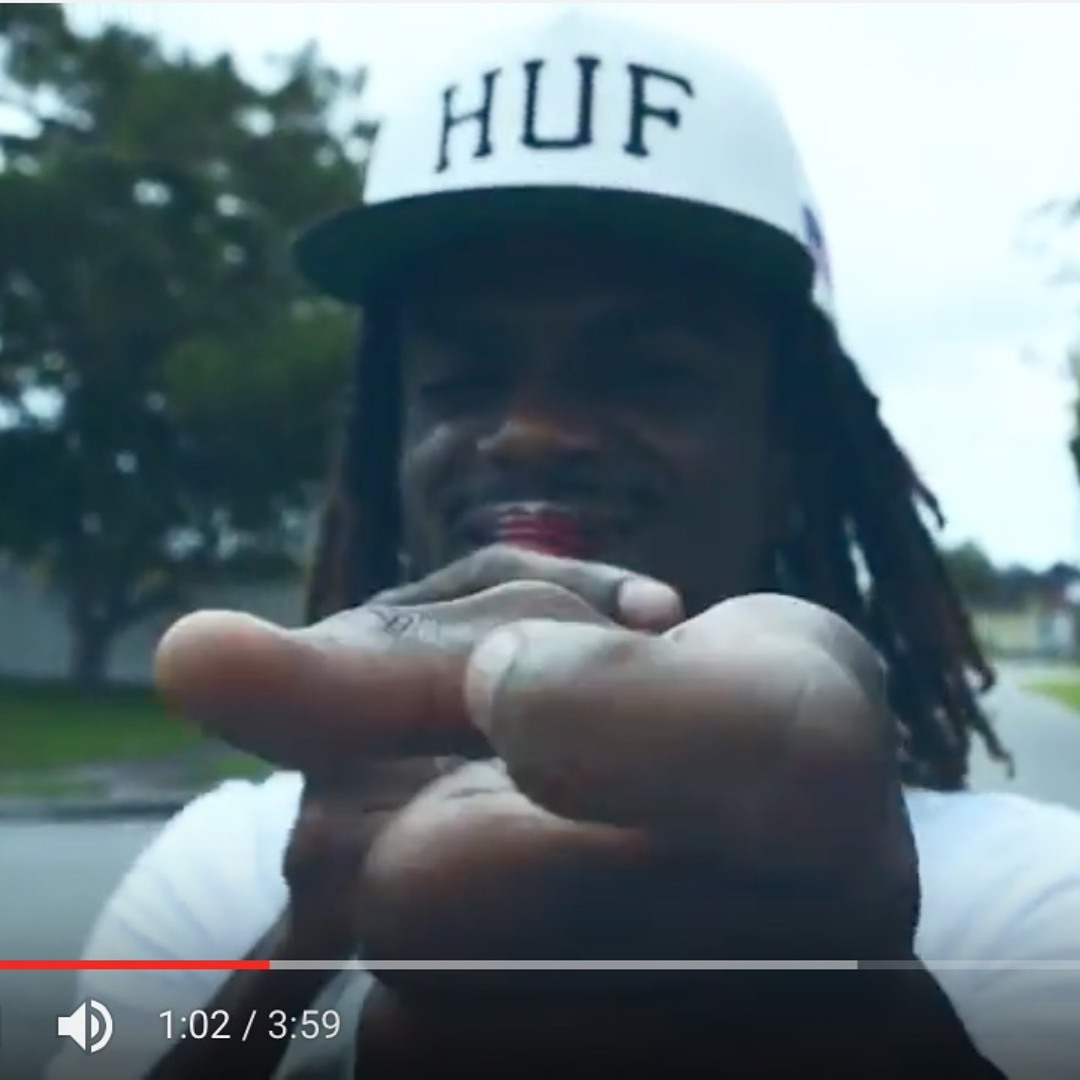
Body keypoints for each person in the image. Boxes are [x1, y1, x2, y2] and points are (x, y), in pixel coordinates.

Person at [49, 8, 1080, 1080]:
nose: (532, 432)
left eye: (649, 372)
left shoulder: (1033, 897)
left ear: (786, 455)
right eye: (462, 376)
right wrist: (308, 951)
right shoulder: (226, 864)